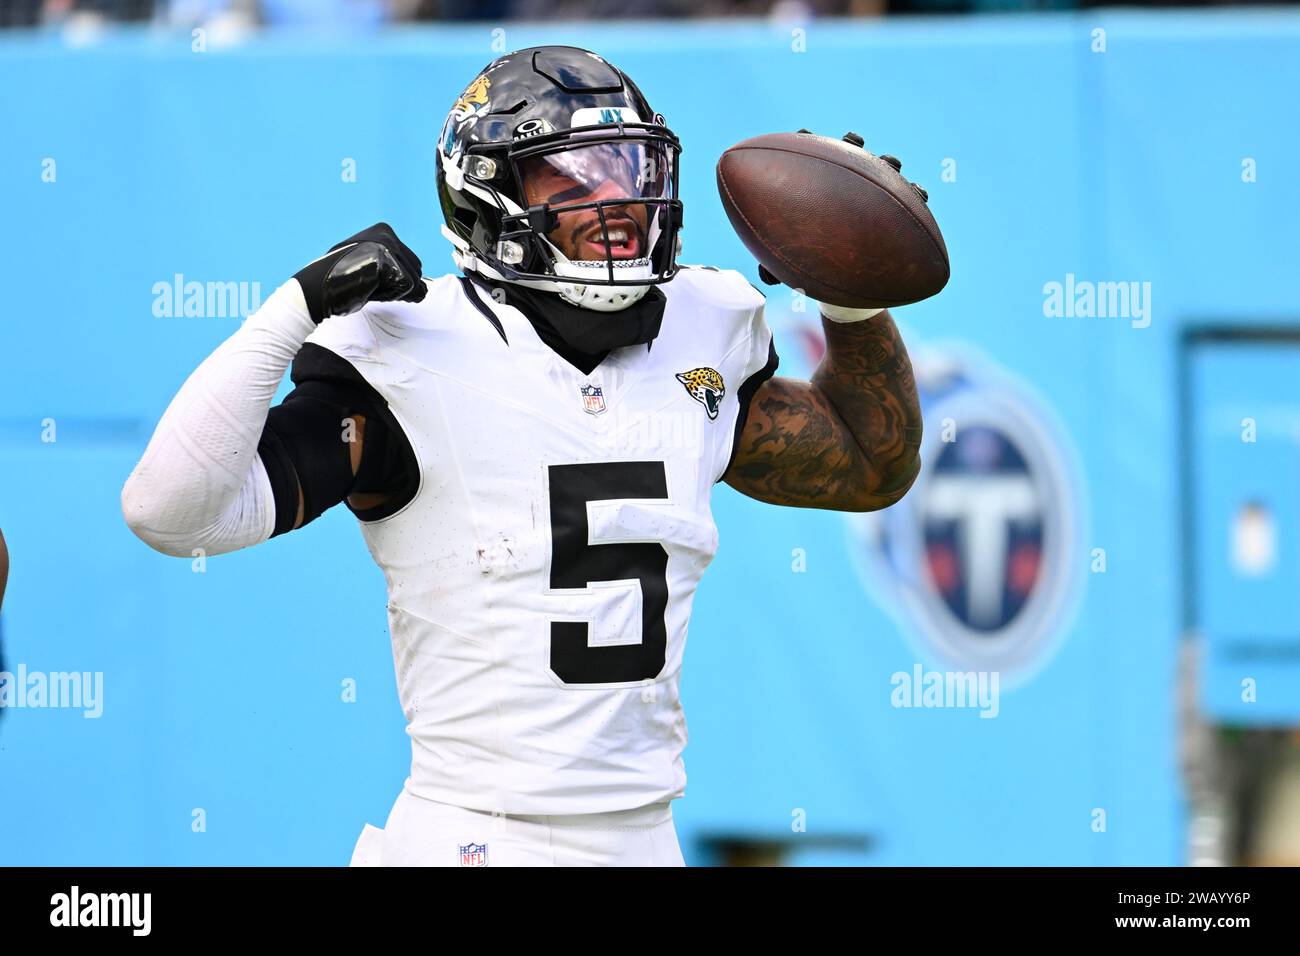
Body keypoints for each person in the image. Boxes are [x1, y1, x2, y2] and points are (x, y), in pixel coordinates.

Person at [121, 45, 924, 866]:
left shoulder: (702, 328)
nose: (616, 201)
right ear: (489, 197)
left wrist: (851, 300)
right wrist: (290, 310)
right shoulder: (405, 353)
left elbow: (871, 464)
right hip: (471, 838)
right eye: (572, 179)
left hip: (646, 840)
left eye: (628, 168)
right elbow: (170, 512)